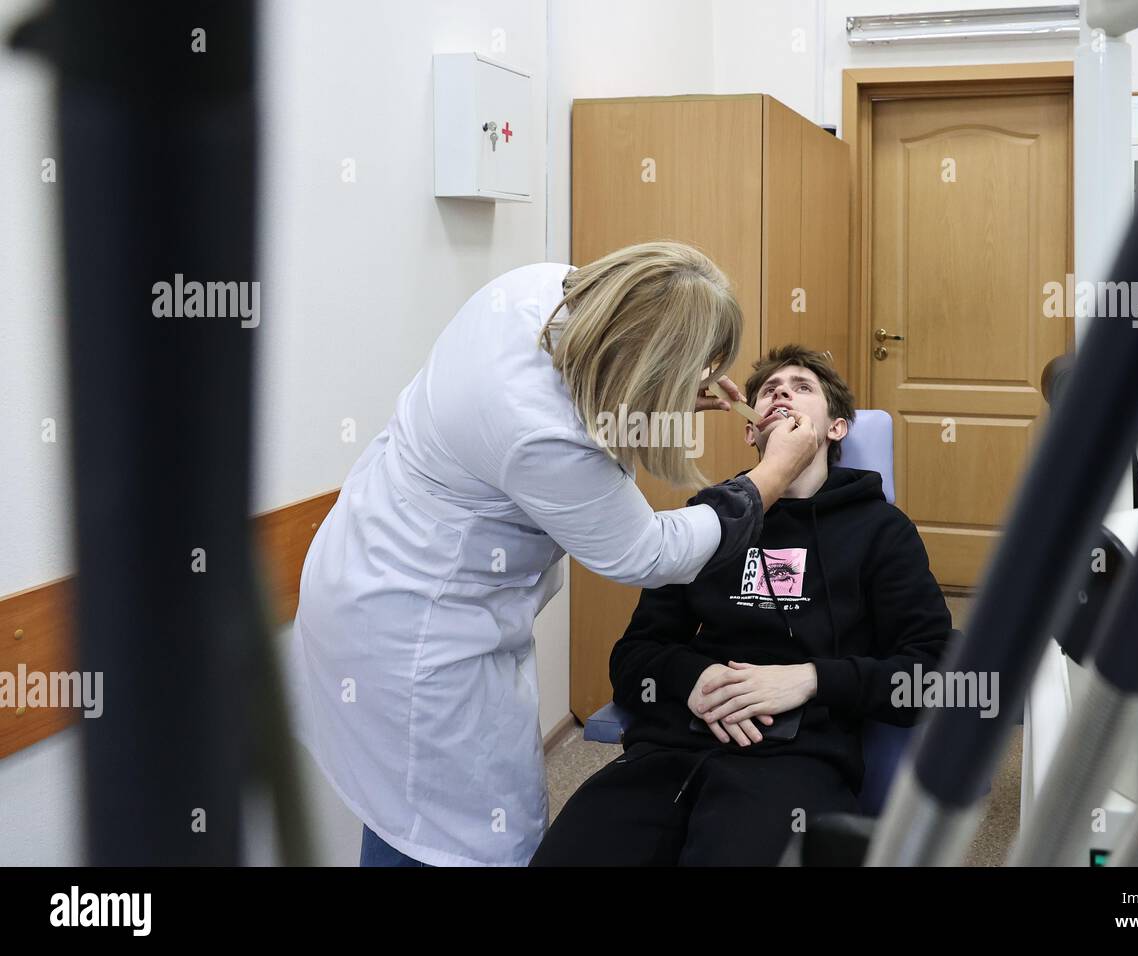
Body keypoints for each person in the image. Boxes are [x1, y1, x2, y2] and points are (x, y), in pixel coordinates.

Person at [285, 242, 821, 866]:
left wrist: (660, 400)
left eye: (803, 390)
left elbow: (911, 657)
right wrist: (769, 479)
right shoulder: (538, 430)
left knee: (414, 818)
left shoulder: (540, 291)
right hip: (412, 634)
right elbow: (645, 556)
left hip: (382, 571)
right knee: (446, 839)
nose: (778, 401)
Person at [530, 344, 955, 866]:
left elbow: (932, 674)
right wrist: (694, 679)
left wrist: (809, 679)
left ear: (838, 428)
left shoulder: (882, 532)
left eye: (802, 388)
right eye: (769, 390)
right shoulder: (709, 522)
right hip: (669, 750)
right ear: (751, 429)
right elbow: (633, 658)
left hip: (794, 763)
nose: (780, 392)